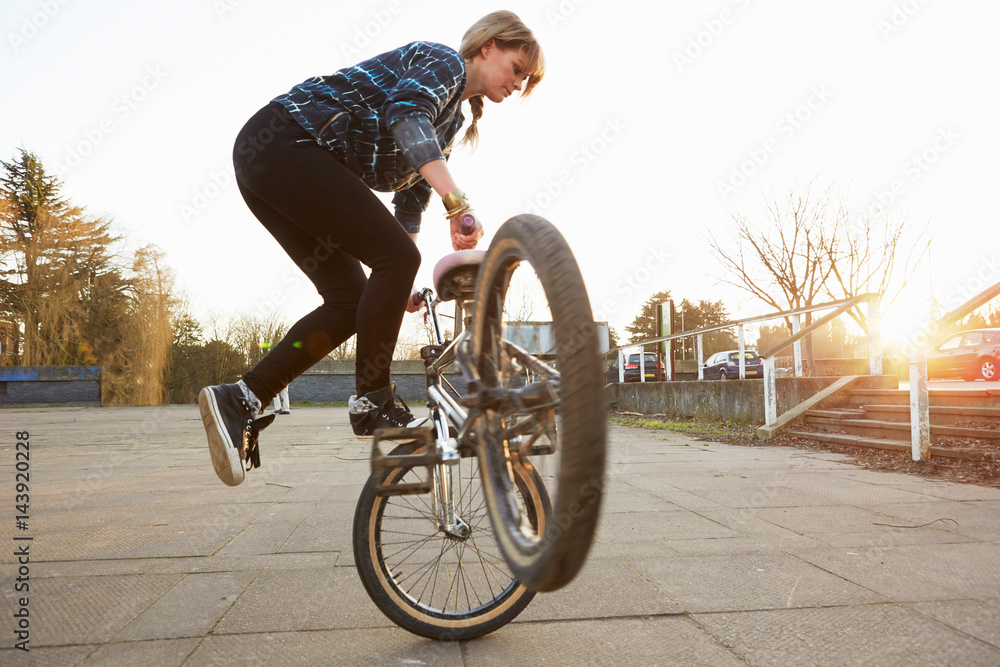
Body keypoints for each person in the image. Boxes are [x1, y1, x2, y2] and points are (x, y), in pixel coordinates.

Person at [198, 11, 545, 486]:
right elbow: (405, 113)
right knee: (391, 263)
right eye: (517, 69)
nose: (517, 85)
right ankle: (373, 402)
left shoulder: (452, 119)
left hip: (273, 164)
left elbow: (408, 201)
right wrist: (456, 203)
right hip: (286, 142)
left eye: (525, 80)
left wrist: (396, 281)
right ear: (488, 47)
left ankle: (242, 396)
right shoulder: (442, 61)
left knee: (349, 302)